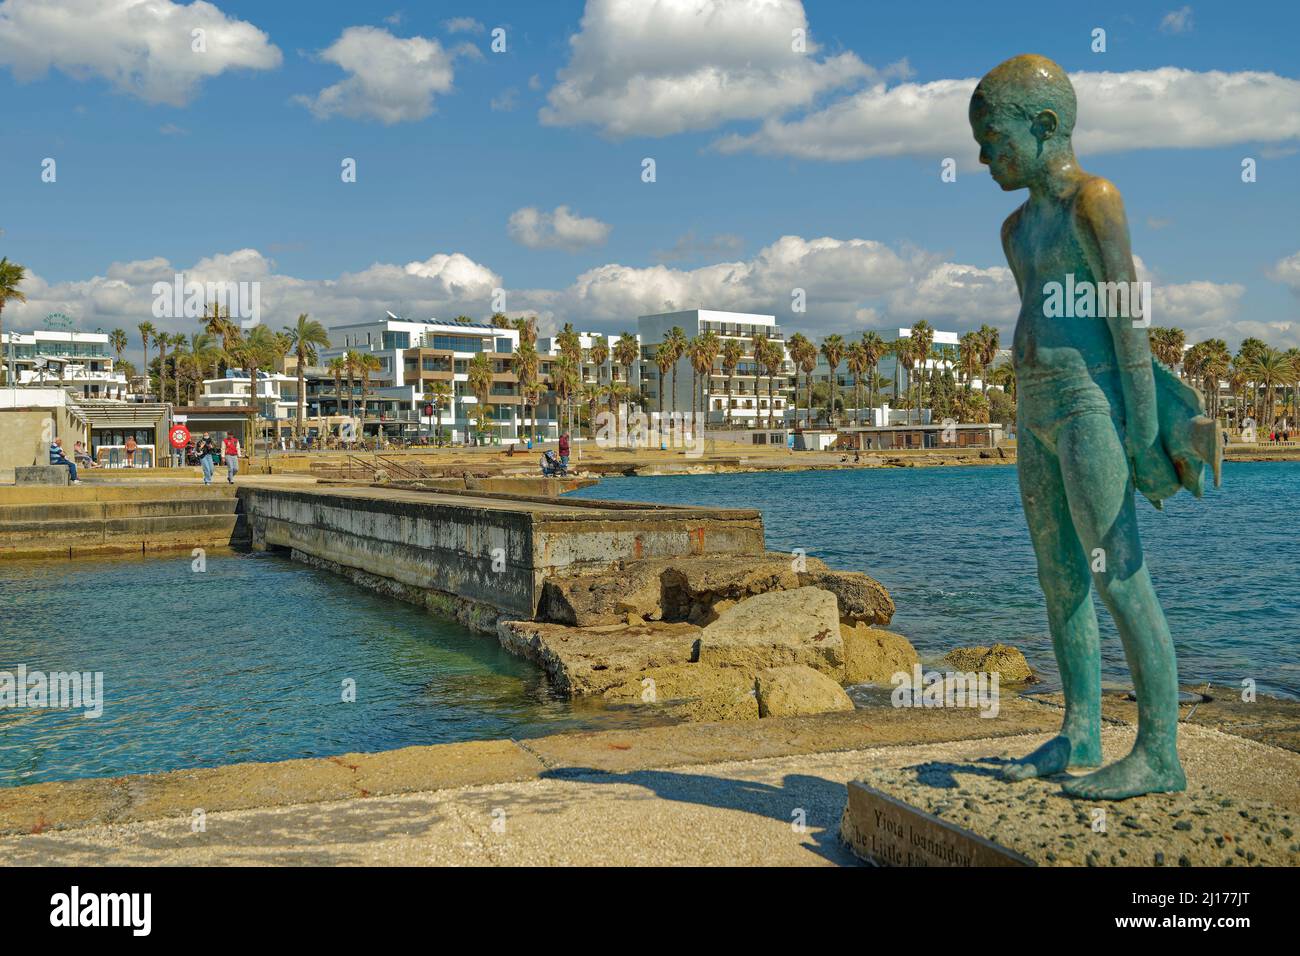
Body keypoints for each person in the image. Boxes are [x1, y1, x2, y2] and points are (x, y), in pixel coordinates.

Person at [969, 54, 1219, 799]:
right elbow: (1037, 314)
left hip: (1088, 407)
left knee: (1120, 578)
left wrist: (1145, 434)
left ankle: (1159, 753)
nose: (984, 157)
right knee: (1060, 579)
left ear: (1044, 127)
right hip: (1035, 408)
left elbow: (1125, 320)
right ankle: (1080, 729)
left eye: (993, 138)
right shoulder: (1014, 230)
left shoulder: (1095, 201)